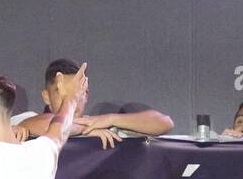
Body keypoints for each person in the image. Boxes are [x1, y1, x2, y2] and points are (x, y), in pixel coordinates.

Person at [17, 58, 173, 145]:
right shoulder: (26, 121)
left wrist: (111, 119)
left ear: (86, 94)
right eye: (63, 92)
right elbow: (46, 126)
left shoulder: (102, 126)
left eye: (78, 92)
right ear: (46, 96)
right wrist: (87, 131)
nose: (73, 99)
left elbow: (165, 123)